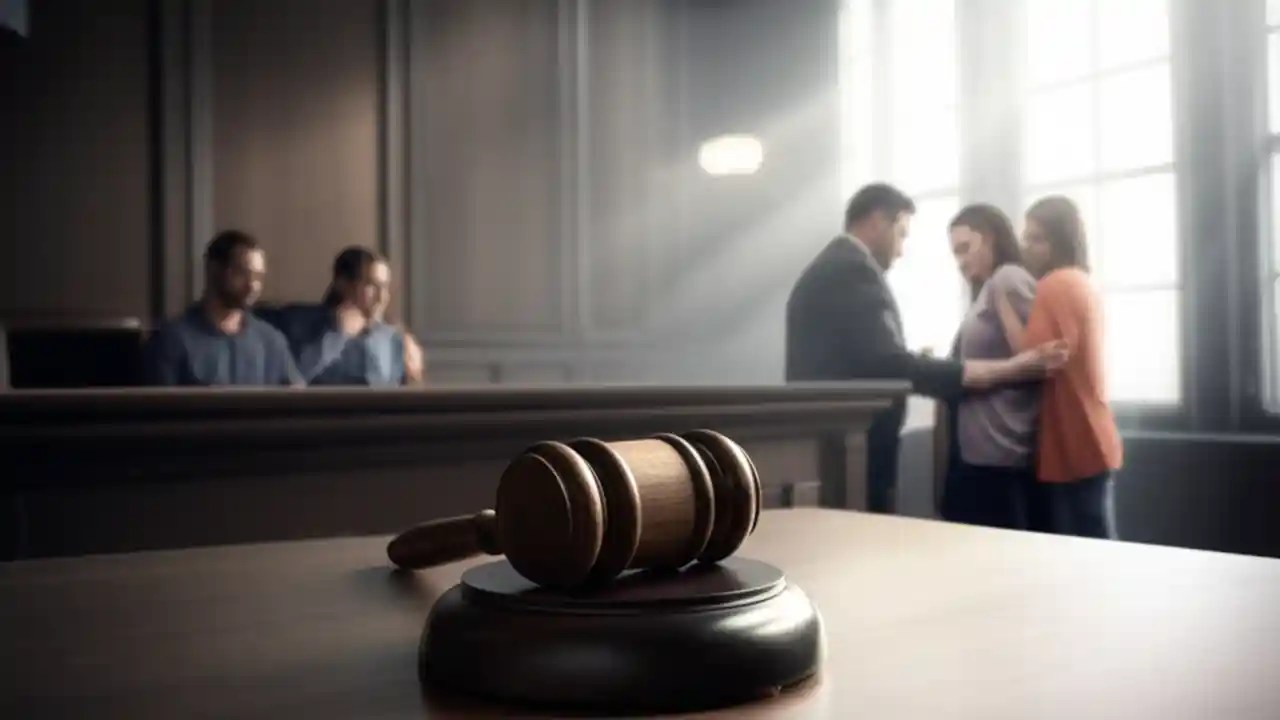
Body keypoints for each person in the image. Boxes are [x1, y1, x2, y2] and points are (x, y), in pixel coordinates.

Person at [785, 183, 1068, 513]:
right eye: (902, 234)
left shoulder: (833, 267)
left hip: (842, 446)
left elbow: (868, 360)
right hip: (849, 448)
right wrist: (1013, 368)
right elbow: (889, 364)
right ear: (878, 221)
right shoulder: (852, 270)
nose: (901, 249)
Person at [994, 196, 1123, 538]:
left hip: (1075, 440)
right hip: (1093, 436)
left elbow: (1035, 360)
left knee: (1081, 556)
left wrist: (1002, 303)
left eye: (1038, 239)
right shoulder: (1081, 281)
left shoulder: (1054, 285)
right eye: (1027, 237)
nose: (1027, 247)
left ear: (1059, 243)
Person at [939, 204, 1040, 529]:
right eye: (956, 253)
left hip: (1001, 456)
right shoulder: (987, 290)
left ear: (991, 239)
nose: (961, 261)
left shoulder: (1007, 279)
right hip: (981, 453)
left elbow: (1034, 360)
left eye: (966, 249)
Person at [145, 230, 302, 386]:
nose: (252, 286)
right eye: (242, 273)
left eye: (258, 277)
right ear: (214, 269)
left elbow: (299, 402)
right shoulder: (173, 340)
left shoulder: (271, 341)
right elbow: (157, 406)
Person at [271, 247, 425, 387]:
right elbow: (290, 381)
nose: (382, 297)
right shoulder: (303, 325)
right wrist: (337, 334)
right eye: (371, 285)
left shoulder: (394, 338)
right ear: (343, 284)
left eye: (385, 287)